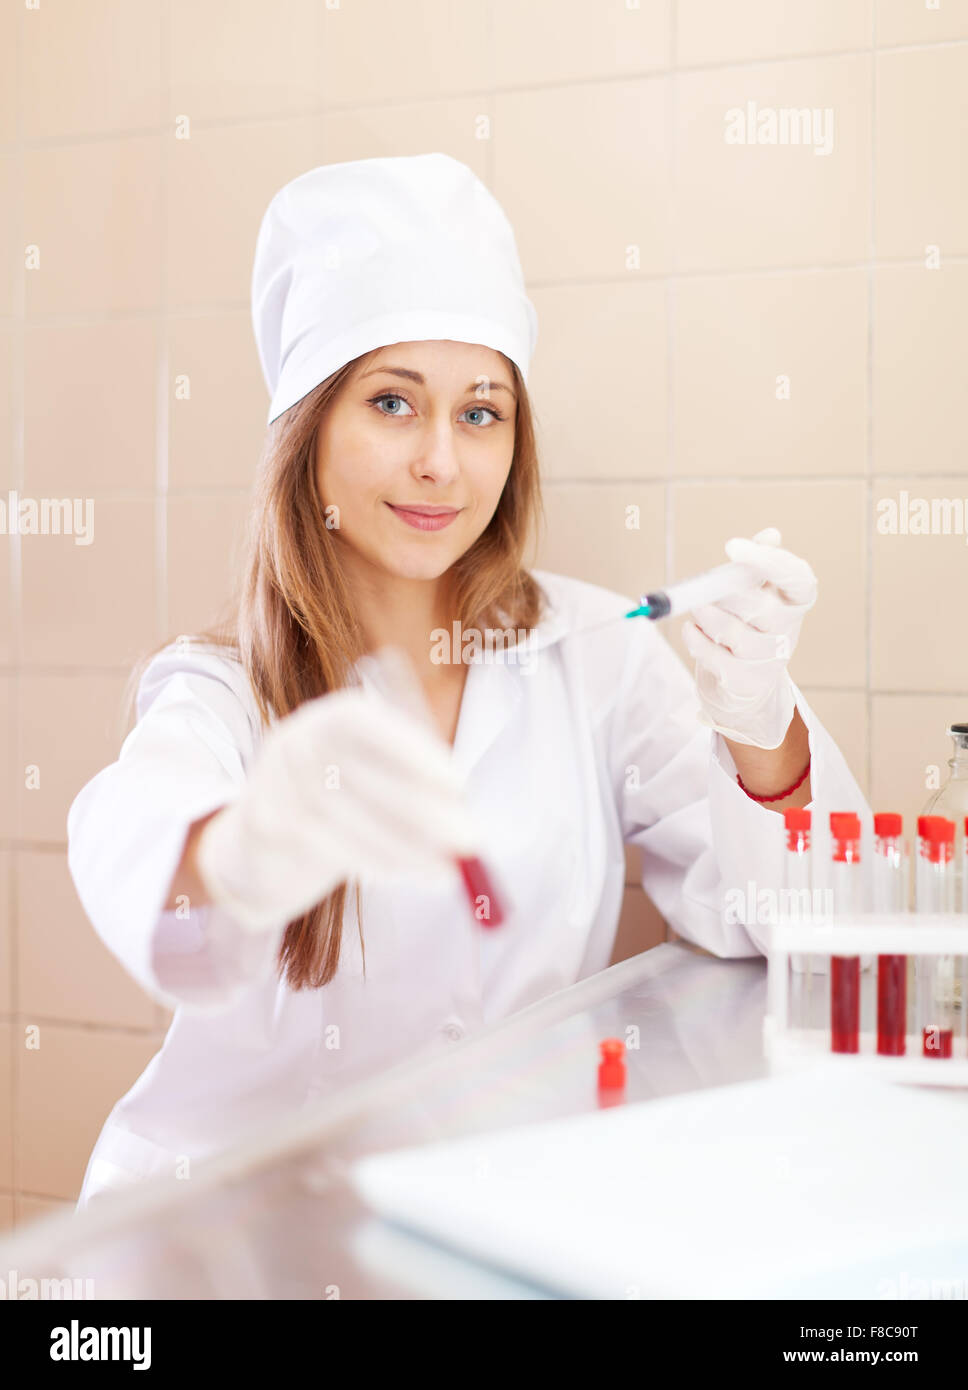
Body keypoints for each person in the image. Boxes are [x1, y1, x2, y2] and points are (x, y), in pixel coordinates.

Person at [67, 152, 868, 1209]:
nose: (442, 461)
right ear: (307, 436)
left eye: (480, 412)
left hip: (481, 1220)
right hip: (224, 1238)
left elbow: (802, 935)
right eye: (392, 403)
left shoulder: (594, 650)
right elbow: (144, 868)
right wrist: (250, 846)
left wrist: (761, 727)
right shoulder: (221, 689)